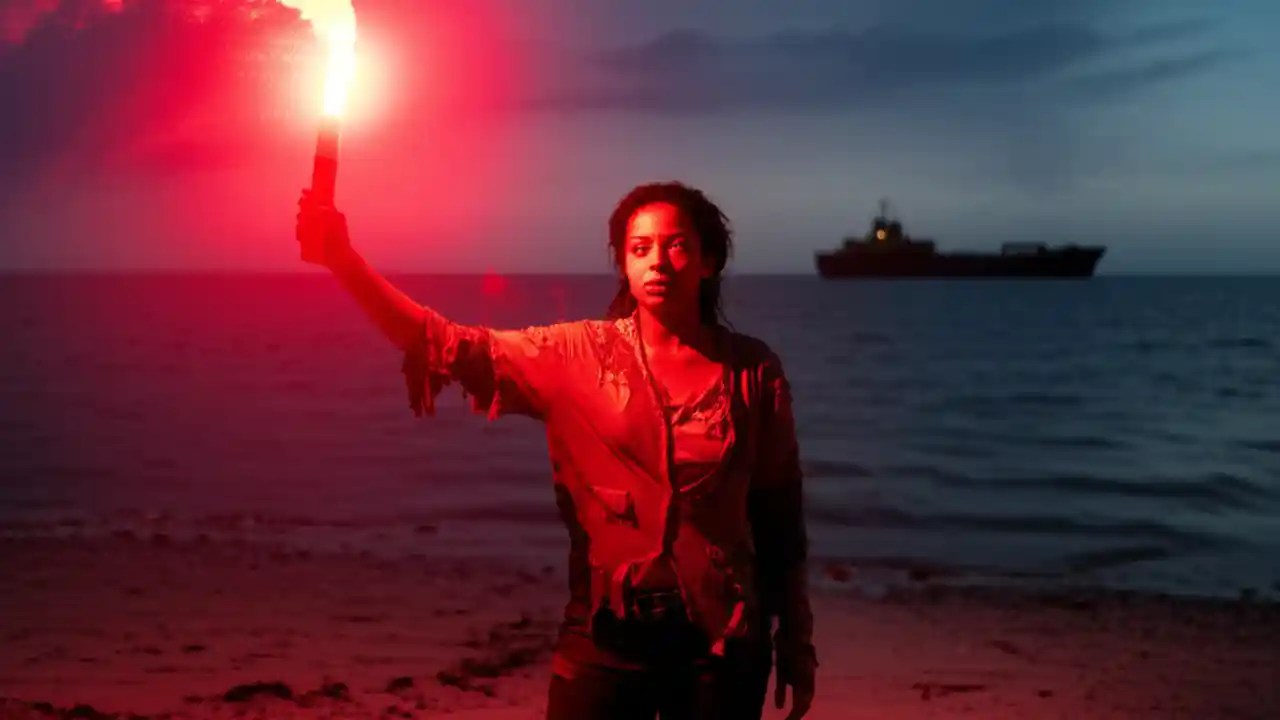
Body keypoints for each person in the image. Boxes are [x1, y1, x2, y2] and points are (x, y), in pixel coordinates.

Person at [295, 181, 817, 719]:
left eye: (676, 245)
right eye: (640, 249)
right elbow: (443, 343)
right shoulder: (575, 356)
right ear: (624, 265)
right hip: (604, 639)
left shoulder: (752, 372)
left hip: (722, 648)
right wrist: (343, 260)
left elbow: (780, 520)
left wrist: (796, 640)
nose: (657, 261)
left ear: (709, 261)